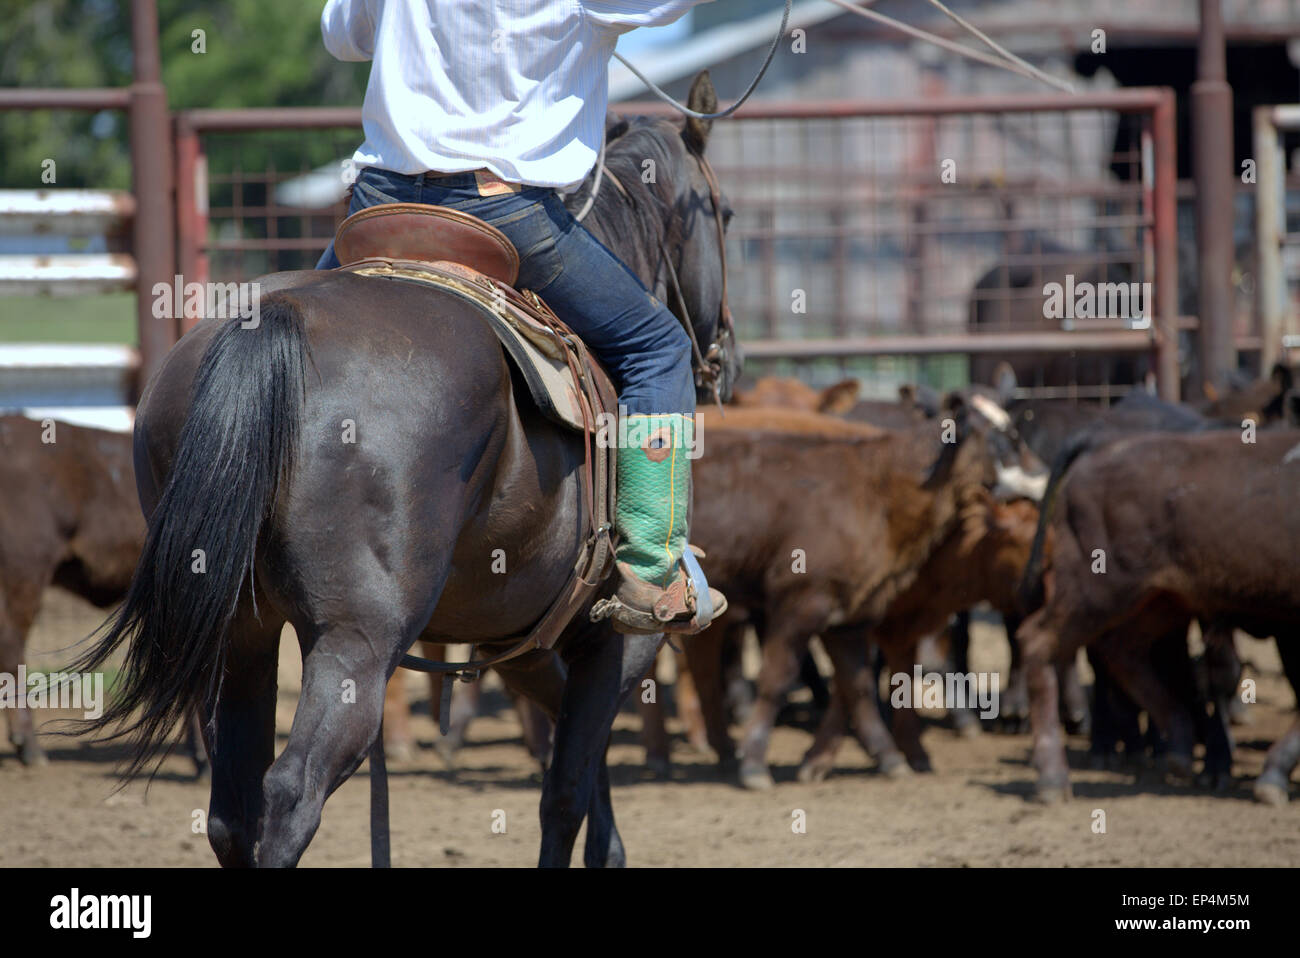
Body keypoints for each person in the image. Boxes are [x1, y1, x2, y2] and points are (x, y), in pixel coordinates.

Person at [317, 0, 725, 634]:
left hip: (378, 207)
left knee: (280, 333)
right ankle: (651, 568)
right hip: (503, 216)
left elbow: (342, 37)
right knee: (658, 348)